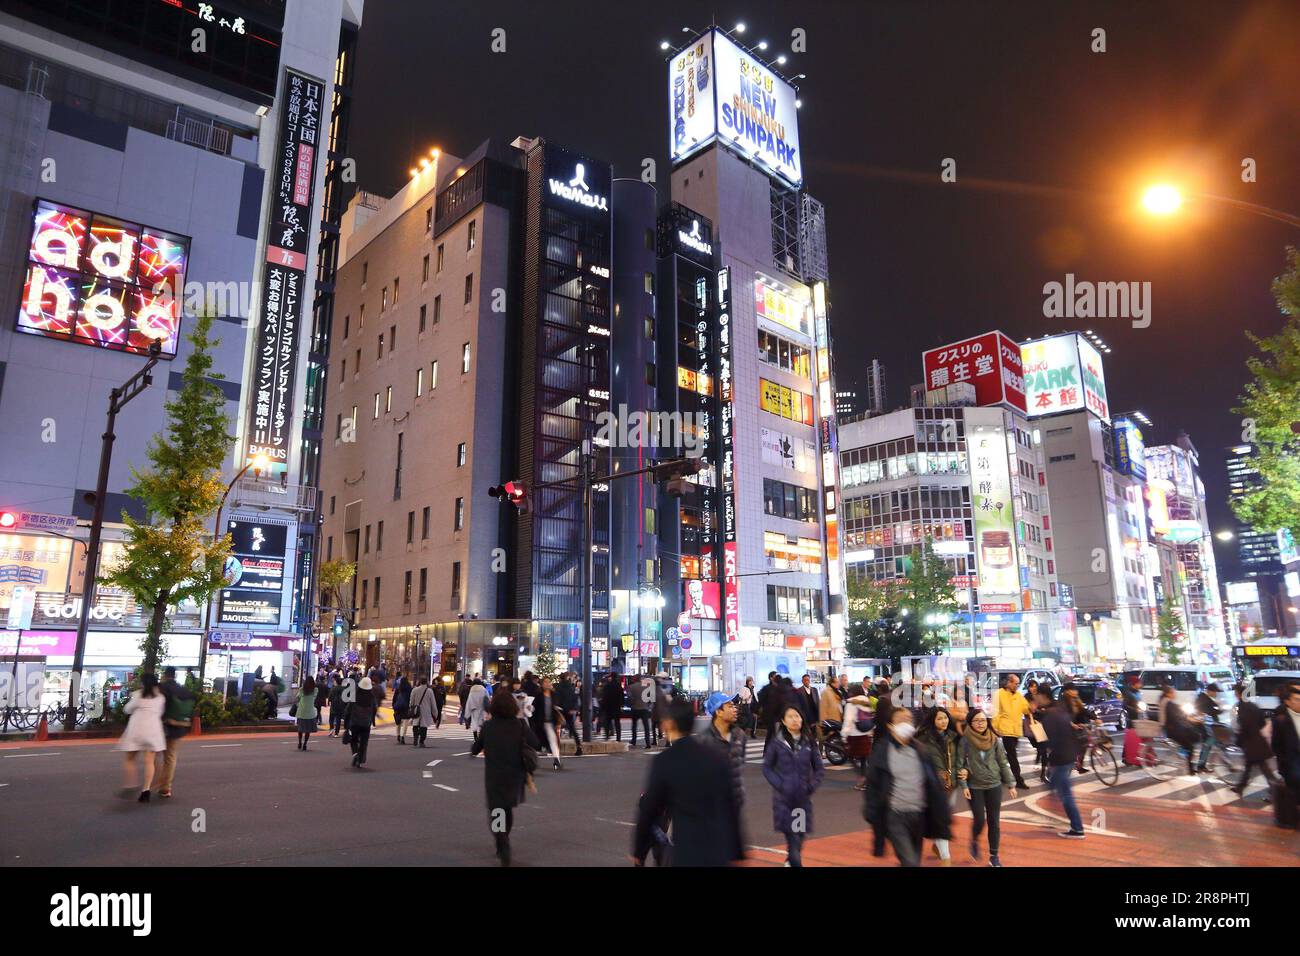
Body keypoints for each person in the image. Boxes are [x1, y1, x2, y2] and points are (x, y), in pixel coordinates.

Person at [631, 696, 743, 867]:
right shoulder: (716, 756)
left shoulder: (665, 761)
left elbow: (649, 810)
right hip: (718, 850)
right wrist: (737, 851)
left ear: (669, 723)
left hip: (686, 851)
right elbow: (731, 805)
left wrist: (639, 851)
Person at [863, 705, 952, 866]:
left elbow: (933, 785)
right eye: (901, 720)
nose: (906, 723)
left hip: (918, 815)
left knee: (914, 860)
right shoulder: (882, 752)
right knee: (910, 861)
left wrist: (942, 813)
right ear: (890, 726)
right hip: (895, 815)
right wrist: (872, 813)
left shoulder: (921, 751)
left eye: (909, 719)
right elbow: (873, 785)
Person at [470, 690, 541, 865]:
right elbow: (535, 743)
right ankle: (504, 841)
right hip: (515, 775)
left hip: (495, 776)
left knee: (496, 811)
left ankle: (502, 843)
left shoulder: (489, 726)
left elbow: (475, 748)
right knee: (506, 809)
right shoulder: (520, 725)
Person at [762, 703, 825, 867]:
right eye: (790, 716)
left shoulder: (809, 742)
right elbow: (767, 768)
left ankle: (791, 860)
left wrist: (811, 786)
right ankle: (794, 861)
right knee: (793, 838)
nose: (795, 720)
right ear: (783, 721)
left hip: (802, 799)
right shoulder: (777, 743)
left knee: (799, 837)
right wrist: (780, 784)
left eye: (797, 716)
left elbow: (819, 768)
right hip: (783, 800)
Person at [957, 709, 1016, 866]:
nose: (981, 723)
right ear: (970, 723)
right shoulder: (965, 741)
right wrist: (964, 785)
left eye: (983, 720)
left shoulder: (994, 739)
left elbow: (1002, 762)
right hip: (975, 786)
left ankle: (994, 856)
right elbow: (960, 764)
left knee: (994, 822)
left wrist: (1010, 783)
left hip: (994, 784)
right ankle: (974, 839)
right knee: (979, 819)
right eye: (977, 721)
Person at [1036, 686, 1085, 837]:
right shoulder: (1059, 708)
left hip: (1061, 758)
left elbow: (1047, 739)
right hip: (1068, 755)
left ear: (1043, 696)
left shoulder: (1051, 714)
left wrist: (1037, 731)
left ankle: (1077, 829)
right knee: (1054, 787)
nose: (1035, 699)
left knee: (1065, 794)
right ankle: (1054, 817)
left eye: (1037, 695)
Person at [917, 706, 960, 865]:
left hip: (951, 785)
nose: (944, 721)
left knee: (943, 820)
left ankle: (937, 846)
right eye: (939, 718)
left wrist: (962, 771)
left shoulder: (954, 737)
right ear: (932, 720)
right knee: (941, 821)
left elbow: (960, 760)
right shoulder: (923, 739)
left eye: (945, 718)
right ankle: (946, 859)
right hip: (933, 787)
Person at [117, 672, 167, 803]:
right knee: (149, 761)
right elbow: (160, 713)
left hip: (136, 731)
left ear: (143, 684)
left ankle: (130, 784)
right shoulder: (160, 698)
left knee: (129, 759)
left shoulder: (137, 695)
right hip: (153, 732)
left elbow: (127, 709)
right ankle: (146, 790)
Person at [701, 691, 747, 813]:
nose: (735, 709)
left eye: (734, 705)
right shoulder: (704, 740)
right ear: (719, 712)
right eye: (730, 706)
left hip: (735, 803)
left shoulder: (740, 735)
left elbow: (740, 764)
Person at [154, 666, 195, 798]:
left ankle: (154, 781)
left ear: (165, 675)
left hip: (160, 726)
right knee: (170, 757)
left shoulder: (161, 688)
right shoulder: (182, 689)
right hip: (177, 727)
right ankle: (166, 787)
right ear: (175, 675)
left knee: (153, 755)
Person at [991, 673, 1030, 789]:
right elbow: (995, 712)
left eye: (1018, 683)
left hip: (1016, 730)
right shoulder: (999, 694)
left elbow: (1025, 709)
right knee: (1013, 755)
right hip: (1005, 729)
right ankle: (1019, 779)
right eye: (1015, 683)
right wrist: (995, 728)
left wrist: (1031, 707)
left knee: (1009, 754)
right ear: (1009, 682)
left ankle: (1000, 772)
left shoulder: (1018, 695)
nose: (1017, 686)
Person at [1269, 683, 1300, 828]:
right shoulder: (1281, 718)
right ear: (1287, 701)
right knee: (1293, 791)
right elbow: (1276, 744)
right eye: (1297, 699)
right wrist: (1284, 762)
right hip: (1292, 763)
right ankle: (1291, 819)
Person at [1157, 684, 1202, 775]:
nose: (1175, 694)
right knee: (1191, 745)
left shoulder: (1165, 702)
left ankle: (1183, 752)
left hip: (1174, 729)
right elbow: (1175, 716)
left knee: (1194, 736)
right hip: (1174, 731)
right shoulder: (1168, 703)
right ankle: (1191, 769)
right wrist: (1189, 719)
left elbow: (1178, 712)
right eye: (1173, 693)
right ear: (1168, 694)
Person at [842, 685, 874, 791]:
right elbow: (870, 717)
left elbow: (848, 719)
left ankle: (862, 780)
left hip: (854, 734)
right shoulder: (866, 701)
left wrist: (844, 734)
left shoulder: (851, 703)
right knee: (864, 758)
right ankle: (866, 779)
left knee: (850, 756)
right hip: (866, 733)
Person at [346, 676, 378, 768]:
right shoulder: (371, 697)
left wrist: (347, 720)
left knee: (353, 739)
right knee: (364, 742)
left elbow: (349, 709)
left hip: (355, 722)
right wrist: (371, 719)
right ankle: (360, 759)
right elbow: (374, 709)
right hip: (366, 723)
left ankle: (355, 753)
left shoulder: (355, 695)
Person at [535, 677, 565, 770]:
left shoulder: (554, 695)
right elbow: (534, 709)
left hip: (550, 722)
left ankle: (557, 760)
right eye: (545, 682)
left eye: (549, 682)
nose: (547, 684)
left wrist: (557, 709)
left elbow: (557, 706)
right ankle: (533, 762)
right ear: (542, 684)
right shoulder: (539, 695)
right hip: (540, 722)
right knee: (537, 744)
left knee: (553, 741)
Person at [1194, 682, 1223, 773]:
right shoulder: (1202, 698)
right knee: (1207, 745)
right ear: (1209, 691)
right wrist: (1217, 710)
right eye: (1215, 692)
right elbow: (1209, 711)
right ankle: (1200, 766)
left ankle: (1201, 765)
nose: (1216, 694)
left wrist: (1218, 709)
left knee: (1208, 745)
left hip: (1209, 725)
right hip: (1203, 726)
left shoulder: (1208, 698)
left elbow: (1215, 710)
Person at [554, 672, 584, 756]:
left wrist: (556, 707)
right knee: (573, 729)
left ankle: (556, 748)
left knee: (557, 729)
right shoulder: (572, 687)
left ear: (560, 679)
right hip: (570, 711)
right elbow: (575, 698)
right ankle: (579, 747)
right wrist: (574, 709)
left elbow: (557, 699)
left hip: (560, 710)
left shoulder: (558, 687)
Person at [1121, 675, 1145, 766]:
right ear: (1134, 684)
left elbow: (1140, 703)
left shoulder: (1138, 692)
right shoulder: (1128, 693)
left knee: (1138, 738)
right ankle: (1126, 757)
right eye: (1139, 683)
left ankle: (1137, 757)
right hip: (1131, 718)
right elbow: (1125, 705)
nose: (1140, 685)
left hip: (1139, 717)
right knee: (1130, 738)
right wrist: (1135, 710)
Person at [408, 675, 438, 748]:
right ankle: (421, 741)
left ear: (419, 682)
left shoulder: (414, 690)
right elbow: (433, 703)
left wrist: (411, 707)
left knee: (415, 724)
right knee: (424, 727)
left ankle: (415, 736)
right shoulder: (429, 691)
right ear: (427, 682)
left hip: (416, 710)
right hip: (426, 711)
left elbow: (411, 701)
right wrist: (435, 713)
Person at [629, 674, 655, 749]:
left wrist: (632, 704)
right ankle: (648, 743)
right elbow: (650, 698)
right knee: (646, 727)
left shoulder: (631, 687)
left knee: (634, 725)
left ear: (635, 679)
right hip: (644, 709)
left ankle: (634, 740)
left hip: (635, 708)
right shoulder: (646, 687)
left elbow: (630, 698)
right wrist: (648, 705)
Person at [294, 676, 318, 751]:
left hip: (301, 712)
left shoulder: (301, 689)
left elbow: (297, 698)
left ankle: (300, 742)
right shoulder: (315, 690)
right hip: (310, 713)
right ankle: (305, 744)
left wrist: (298, 704)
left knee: (300, 729)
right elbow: (315, 697)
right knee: (308, 730)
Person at [601, 674, 625, 741]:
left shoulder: (607, 686)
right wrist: (621, 705)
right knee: (617, 723)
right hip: (616, 707)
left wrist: (603, 706)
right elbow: (621, 696)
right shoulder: (619, 686)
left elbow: (604, 697)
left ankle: (607, 736)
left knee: (607, 722)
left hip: (609, 706)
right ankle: (618, 738)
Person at [756, 671, 779, 740]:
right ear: (771, 678)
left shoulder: (779, 687)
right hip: (770, 715)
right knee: (771, 734)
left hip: (778, 714)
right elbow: (761, 700)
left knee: (777, 734)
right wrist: (756, 711)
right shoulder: (766, 688)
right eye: (775, 676)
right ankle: (768, 749)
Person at [392, 672, 412, 745]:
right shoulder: (409, 689)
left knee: (398, 722)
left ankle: (398, 735)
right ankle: (403, 736)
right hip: (405, 707)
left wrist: (394, 706)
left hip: (398, 707)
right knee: (405, 722)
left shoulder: (398, 689)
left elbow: (394, 699)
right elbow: (411, 698)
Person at [465, 678, 488, 742]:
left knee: (474, 723)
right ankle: (482, 737)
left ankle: (475, 738)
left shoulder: (472, 690)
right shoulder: (483, 689)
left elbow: (469, 701)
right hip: (482, 708)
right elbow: (487, 699)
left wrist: (467, 713)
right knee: (482, 723)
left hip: (474, 709)